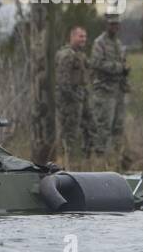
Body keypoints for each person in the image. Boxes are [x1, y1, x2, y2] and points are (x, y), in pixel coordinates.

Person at [89, 10, 129, 153]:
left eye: (117, 24)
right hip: (104, 90)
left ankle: (116, 157)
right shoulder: (99, 43)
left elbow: (121, 62)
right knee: (104, 125)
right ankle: (100, 157)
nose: (115, 27)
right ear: (107, 25)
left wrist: (125, 69)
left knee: (118, 126)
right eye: (112, 24)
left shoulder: (118, 43)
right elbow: (96, 63)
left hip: (118, 90)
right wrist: (118, 67)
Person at [55, 26, 91, 159]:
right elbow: (62, 81)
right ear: (72, 37)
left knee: (86, 127)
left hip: (80, 96)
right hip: (69, 100)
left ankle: (85, 157)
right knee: (69, 132)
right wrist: (73, 97)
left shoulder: (80, 54)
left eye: (85, 36)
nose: (84, 39)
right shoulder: (67, 55)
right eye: (80, 36)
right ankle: (66, 159)